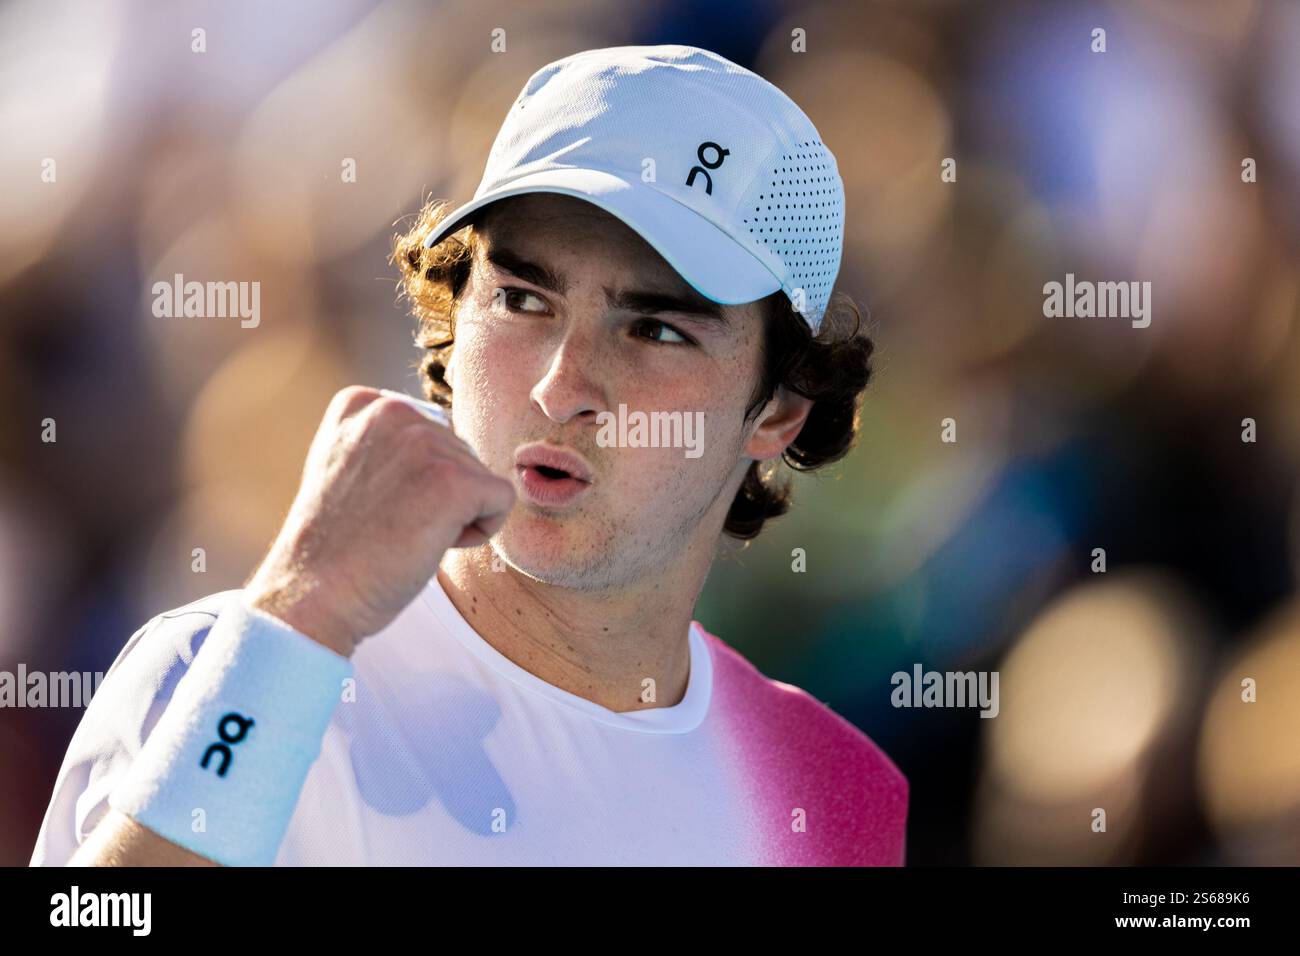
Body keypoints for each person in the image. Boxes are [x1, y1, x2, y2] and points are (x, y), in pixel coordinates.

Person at [31, 44, 906, 866]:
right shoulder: (227, 674)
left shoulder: (835, 791)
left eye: (655, 328)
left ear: (782, 410)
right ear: (454, 320)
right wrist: (301, 626)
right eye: (523, 300)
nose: (563, 388)